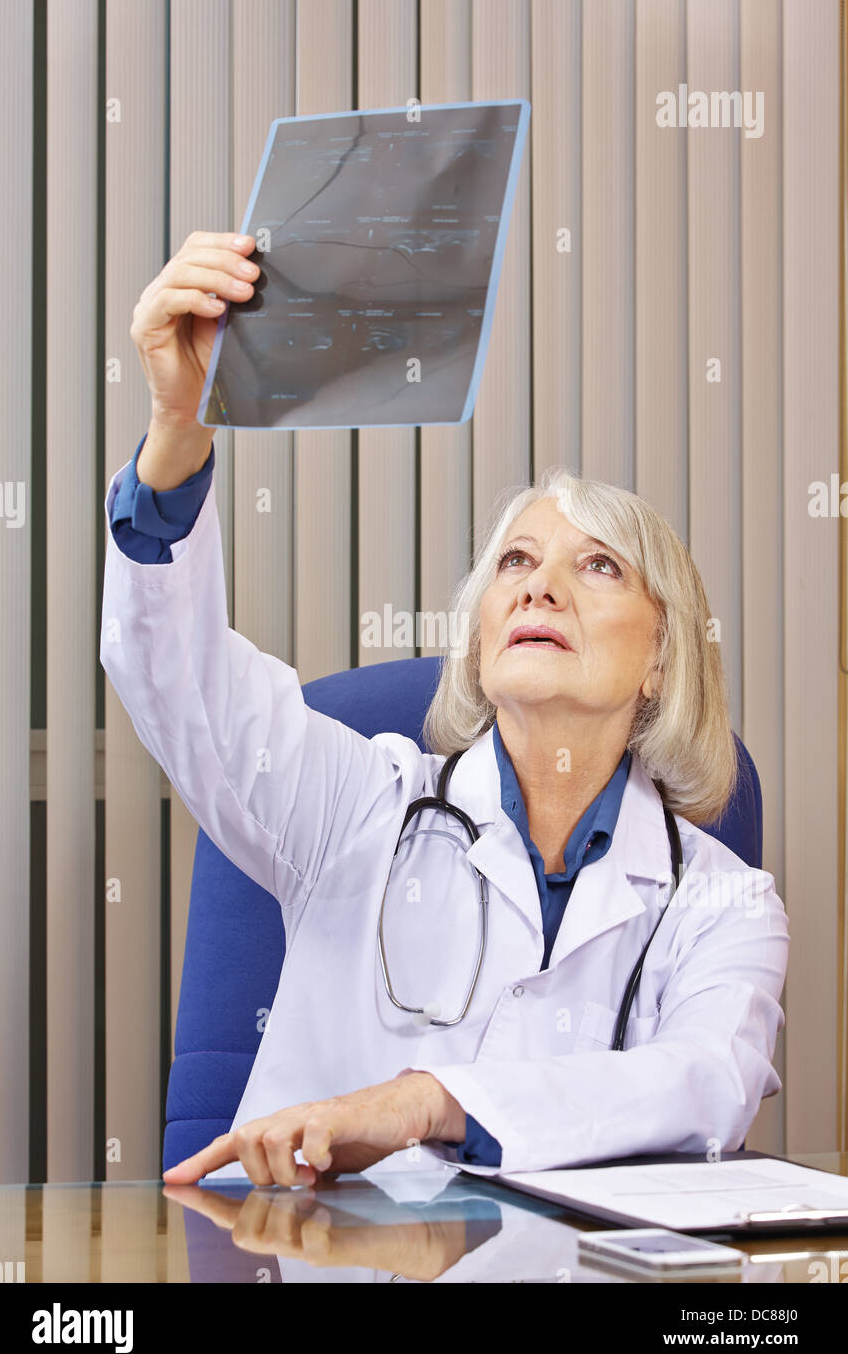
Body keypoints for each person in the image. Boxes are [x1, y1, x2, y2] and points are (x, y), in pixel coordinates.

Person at [101, 229, 789, 1188]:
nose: (540, 588)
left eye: (596, 566)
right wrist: (179, 429)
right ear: (479, 634)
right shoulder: (355, 806)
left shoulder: (721, 901)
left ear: (663, 658)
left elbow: (709, 1085)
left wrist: (432, 1101)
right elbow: (181, 684)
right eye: (515, 561)